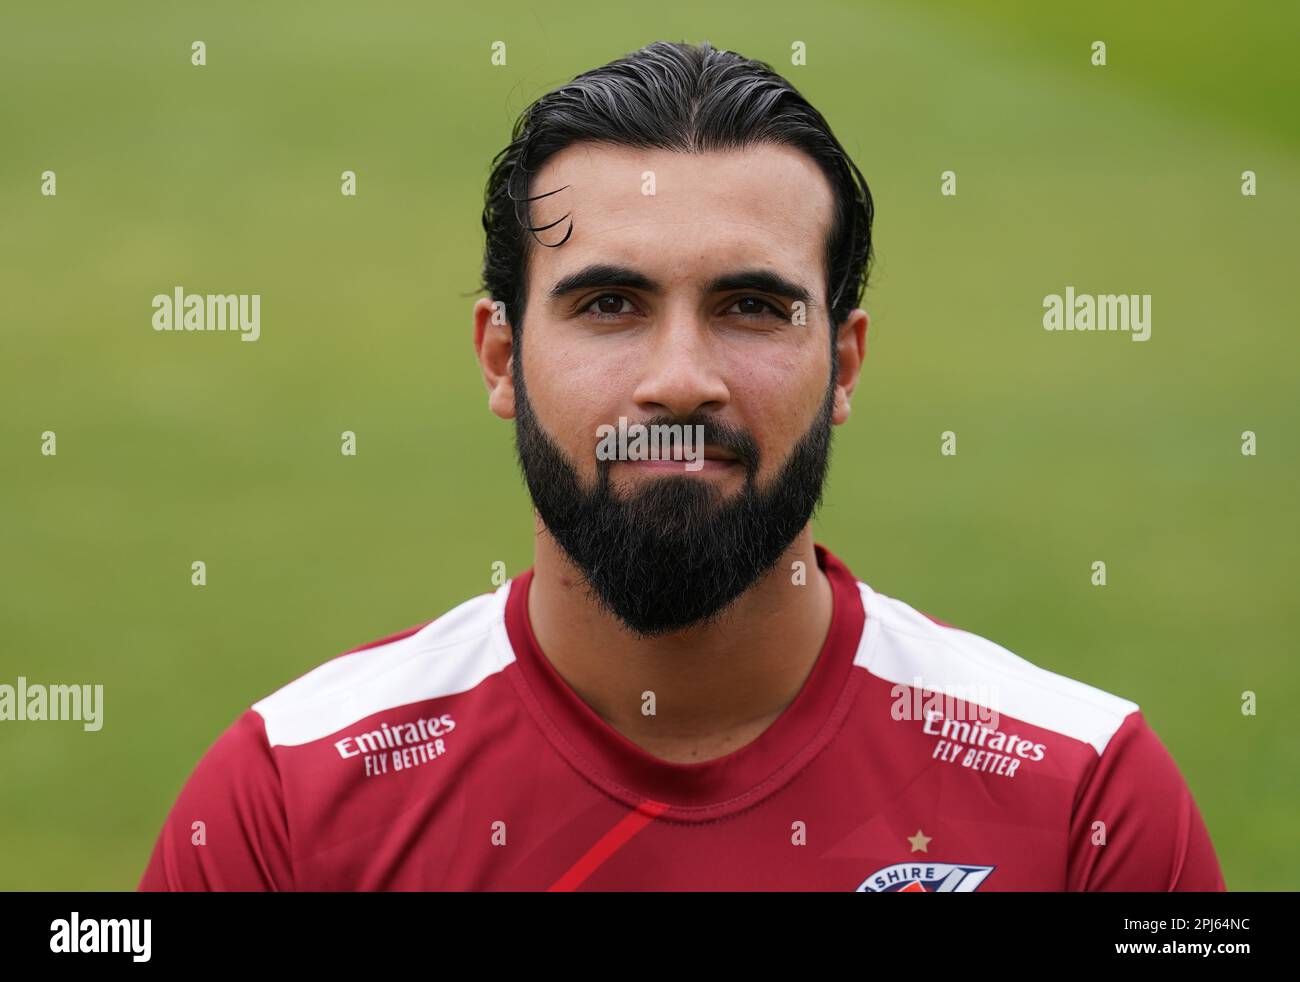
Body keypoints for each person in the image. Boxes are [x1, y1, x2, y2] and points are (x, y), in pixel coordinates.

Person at [139, 40, 1223, 891]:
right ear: (502, 357)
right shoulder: (289, 798)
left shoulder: (1084, 795)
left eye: (750, 306)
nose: (680, 379)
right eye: (609, 304)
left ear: (842, 363)